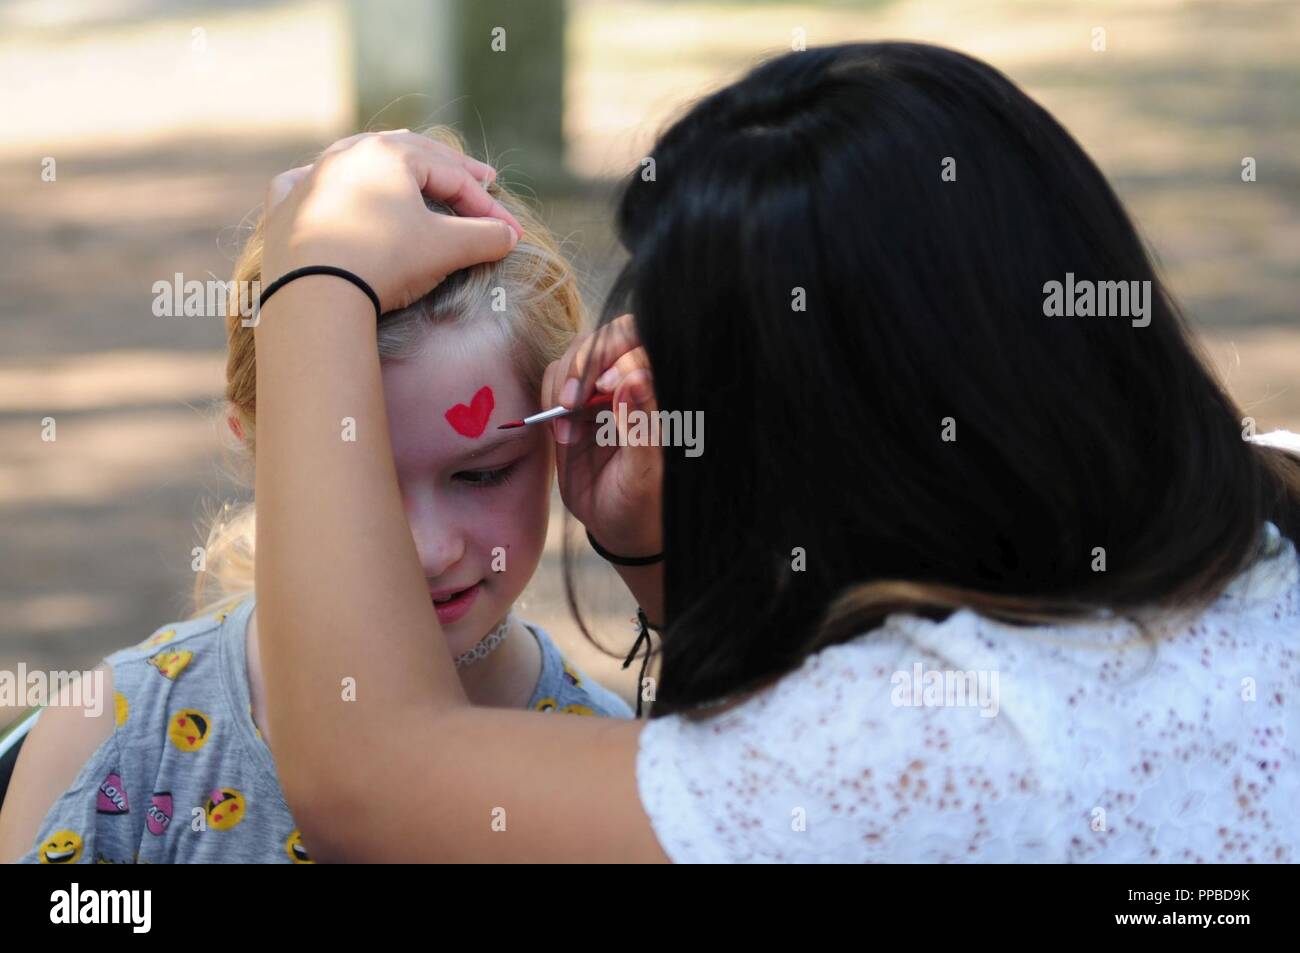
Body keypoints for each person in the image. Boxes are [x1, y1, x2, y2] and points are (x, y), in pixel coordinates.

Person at [244, 43, 1300, 862]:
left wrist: (314, 276)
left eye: (478, 470)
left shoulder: (940, 749)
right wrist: (665, 562)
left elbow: (367, 777)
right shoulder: (1253, 511)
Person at [0, 127, 631, 865]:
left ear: (564, 435)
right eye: (362, 481)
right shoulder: (109, 736)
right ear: (263, 452)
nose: (429, 549)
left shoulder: (606, 772)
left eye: (483, 472)